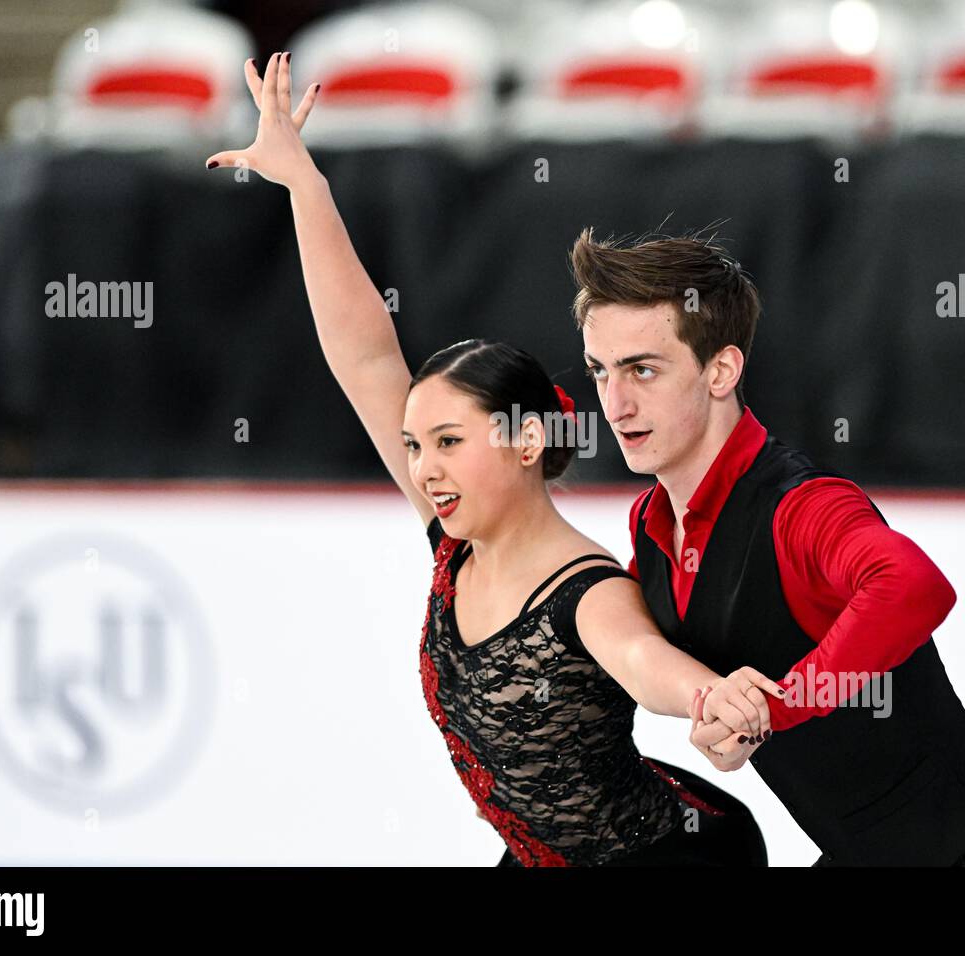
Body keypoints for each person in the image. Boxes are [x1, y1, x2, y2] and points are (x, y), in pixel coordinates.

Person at [206, 53, 771, 866]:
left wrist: (708, 698)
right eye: (413, 446)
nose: (424, 468)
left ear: (525, 440)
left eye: (447, 443)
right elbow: (366, 359)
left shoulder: (587, 590)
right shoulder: (455, 542)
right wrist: (307, 188)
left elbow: (646, 665)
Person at [569, 227, 965, 866]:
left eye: (643, 370)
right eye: (601, 371)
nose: (616, 404)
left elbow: (913, 585)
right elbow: (635, 655)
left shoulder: (800, 505)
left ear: (721, 371)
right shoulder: (651, 527)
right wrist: (713, 704)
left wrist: (775, 708)